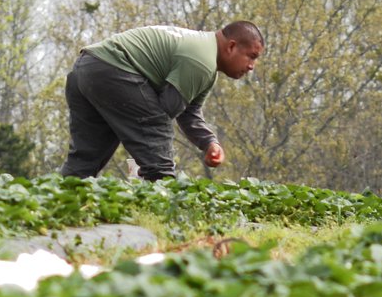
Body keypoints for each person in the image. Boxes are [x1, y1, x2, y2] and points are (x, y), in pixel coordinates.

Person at [61, 21, 264, 181]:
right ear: (231, 46)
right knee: (159, 164)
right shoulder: (201, 62)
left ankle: (60, 207)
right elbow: (164, 113)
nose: (252, 66)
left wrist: (209, 142)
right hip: (113, 69)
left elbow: (189, 112)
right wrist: (147, 152)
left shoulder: (204, 58)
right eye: (251, 56)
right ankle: (159, 209)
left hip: (86, 67)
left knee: (83, 163)